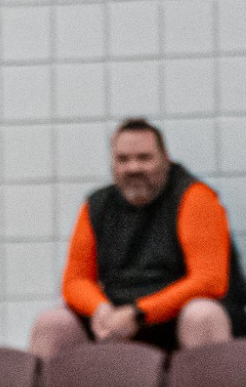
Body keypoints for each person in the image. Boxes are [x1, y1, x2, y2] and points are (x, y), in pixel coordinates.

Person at [30, 119, 246, 358]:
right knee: (52, 323)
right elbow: (75, 281)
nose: (133, 167)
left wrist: (139, 313)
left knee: (202, 314)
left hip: (177, 319)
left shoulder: (195, 198)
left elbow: (210, 281)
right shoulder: (97, 204)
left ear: (165, 160)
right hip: (117, 317)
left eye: (144, 158)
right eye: (123, 159)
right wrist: (100, 310)